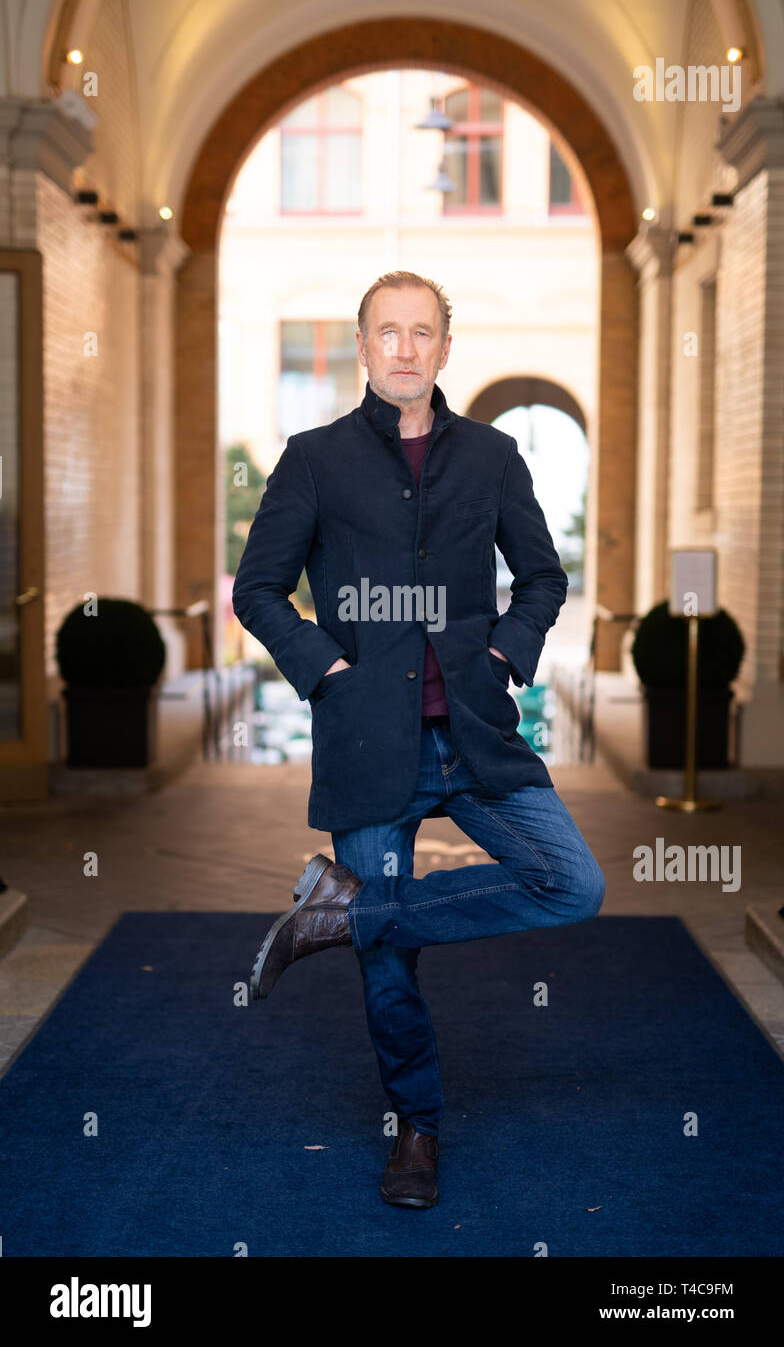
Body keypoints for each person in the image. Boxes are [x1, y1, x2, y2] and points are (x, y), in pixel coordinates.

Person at [232, 270, 605, 1210]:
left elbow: (542, 578)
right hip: (370, 744)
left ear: (446, 346)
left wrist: (506, 656)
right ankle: (416, 1131)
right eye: (386, 332)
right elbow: (259, 589)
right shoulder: (313, 459)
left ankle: (346, 911)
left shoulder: (492, 456)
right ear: (363, 347)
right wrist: (330, 674)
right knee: (390, 971)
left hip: (477, 735)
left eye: (422, 331)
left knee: (572, 882)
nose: (404, 348)